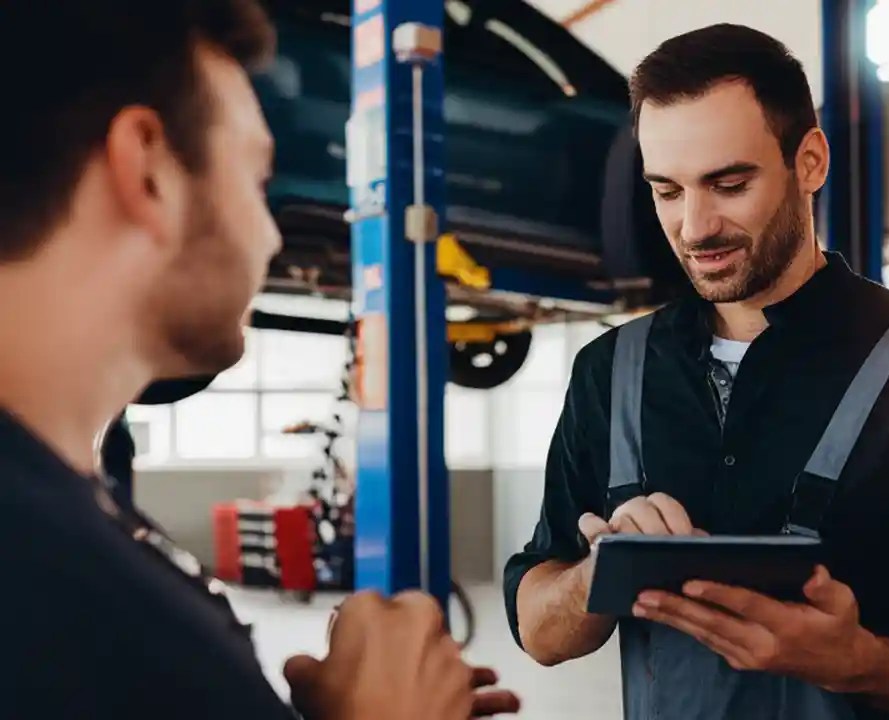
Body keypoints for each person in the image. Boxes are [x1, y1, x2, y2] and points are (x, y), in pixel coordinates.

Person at [505, 24, 889, 720]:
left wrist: (864, 664)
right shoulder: (607, 373)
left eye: (729, 183)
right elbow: (537, 630)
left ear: (810, 162)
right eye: (667, 191)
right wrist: (601, 572)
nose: (694, 227)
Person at [0, 2, 517, 718]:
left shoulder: (68, 536)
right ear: (148, 170)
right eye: (257, 179)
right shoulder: (56, 590)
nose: (271, 236)